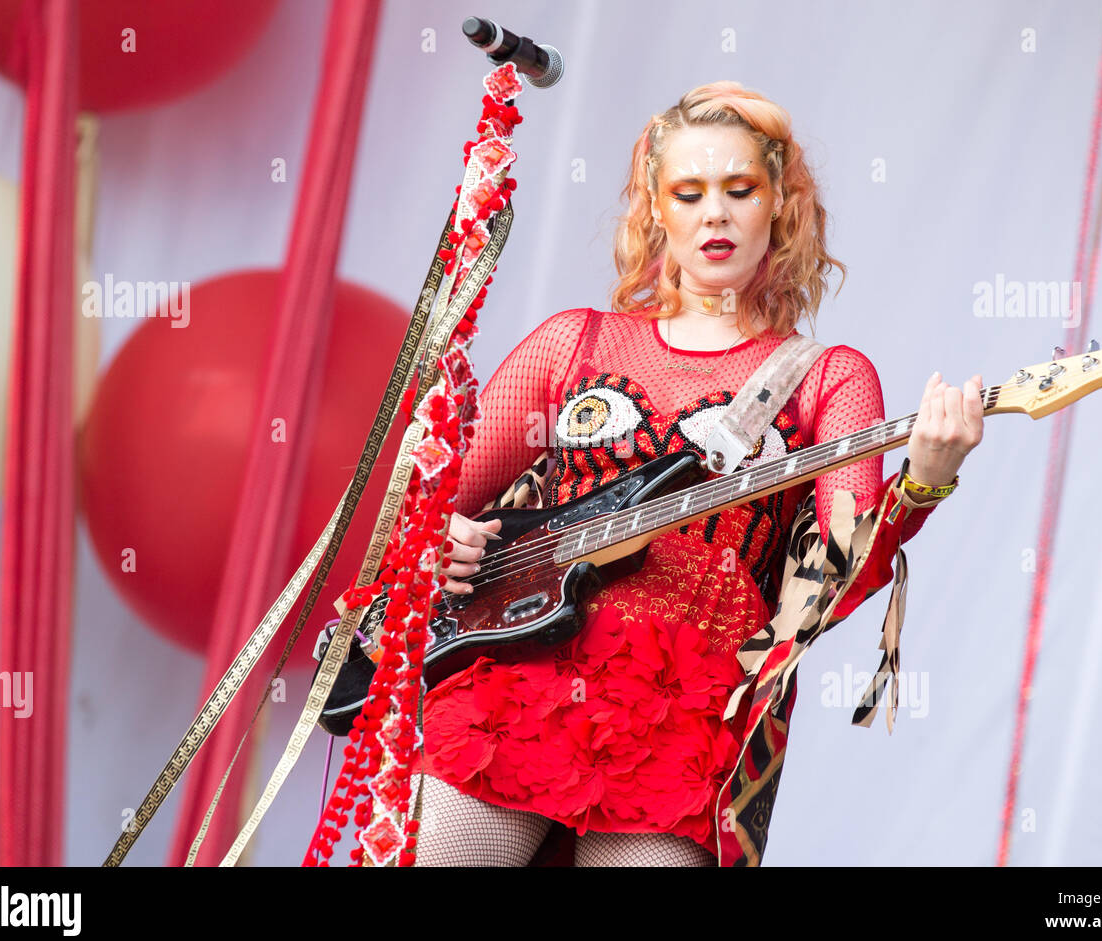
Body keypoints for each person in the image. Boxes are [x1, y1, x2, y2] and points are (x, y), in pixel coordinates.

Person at [412, 81, 983, 866]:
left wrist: (924, 481)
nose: (715, 213)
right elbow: (427, 503)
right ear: (656, 208)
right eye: (690, 193)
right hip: (520, 674)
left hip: (685, 715)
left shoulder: (830, 379)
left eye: (739, 190)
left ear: (780, 204)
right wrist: (440, 535)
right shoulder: (573, 343)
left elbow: (835, 579)